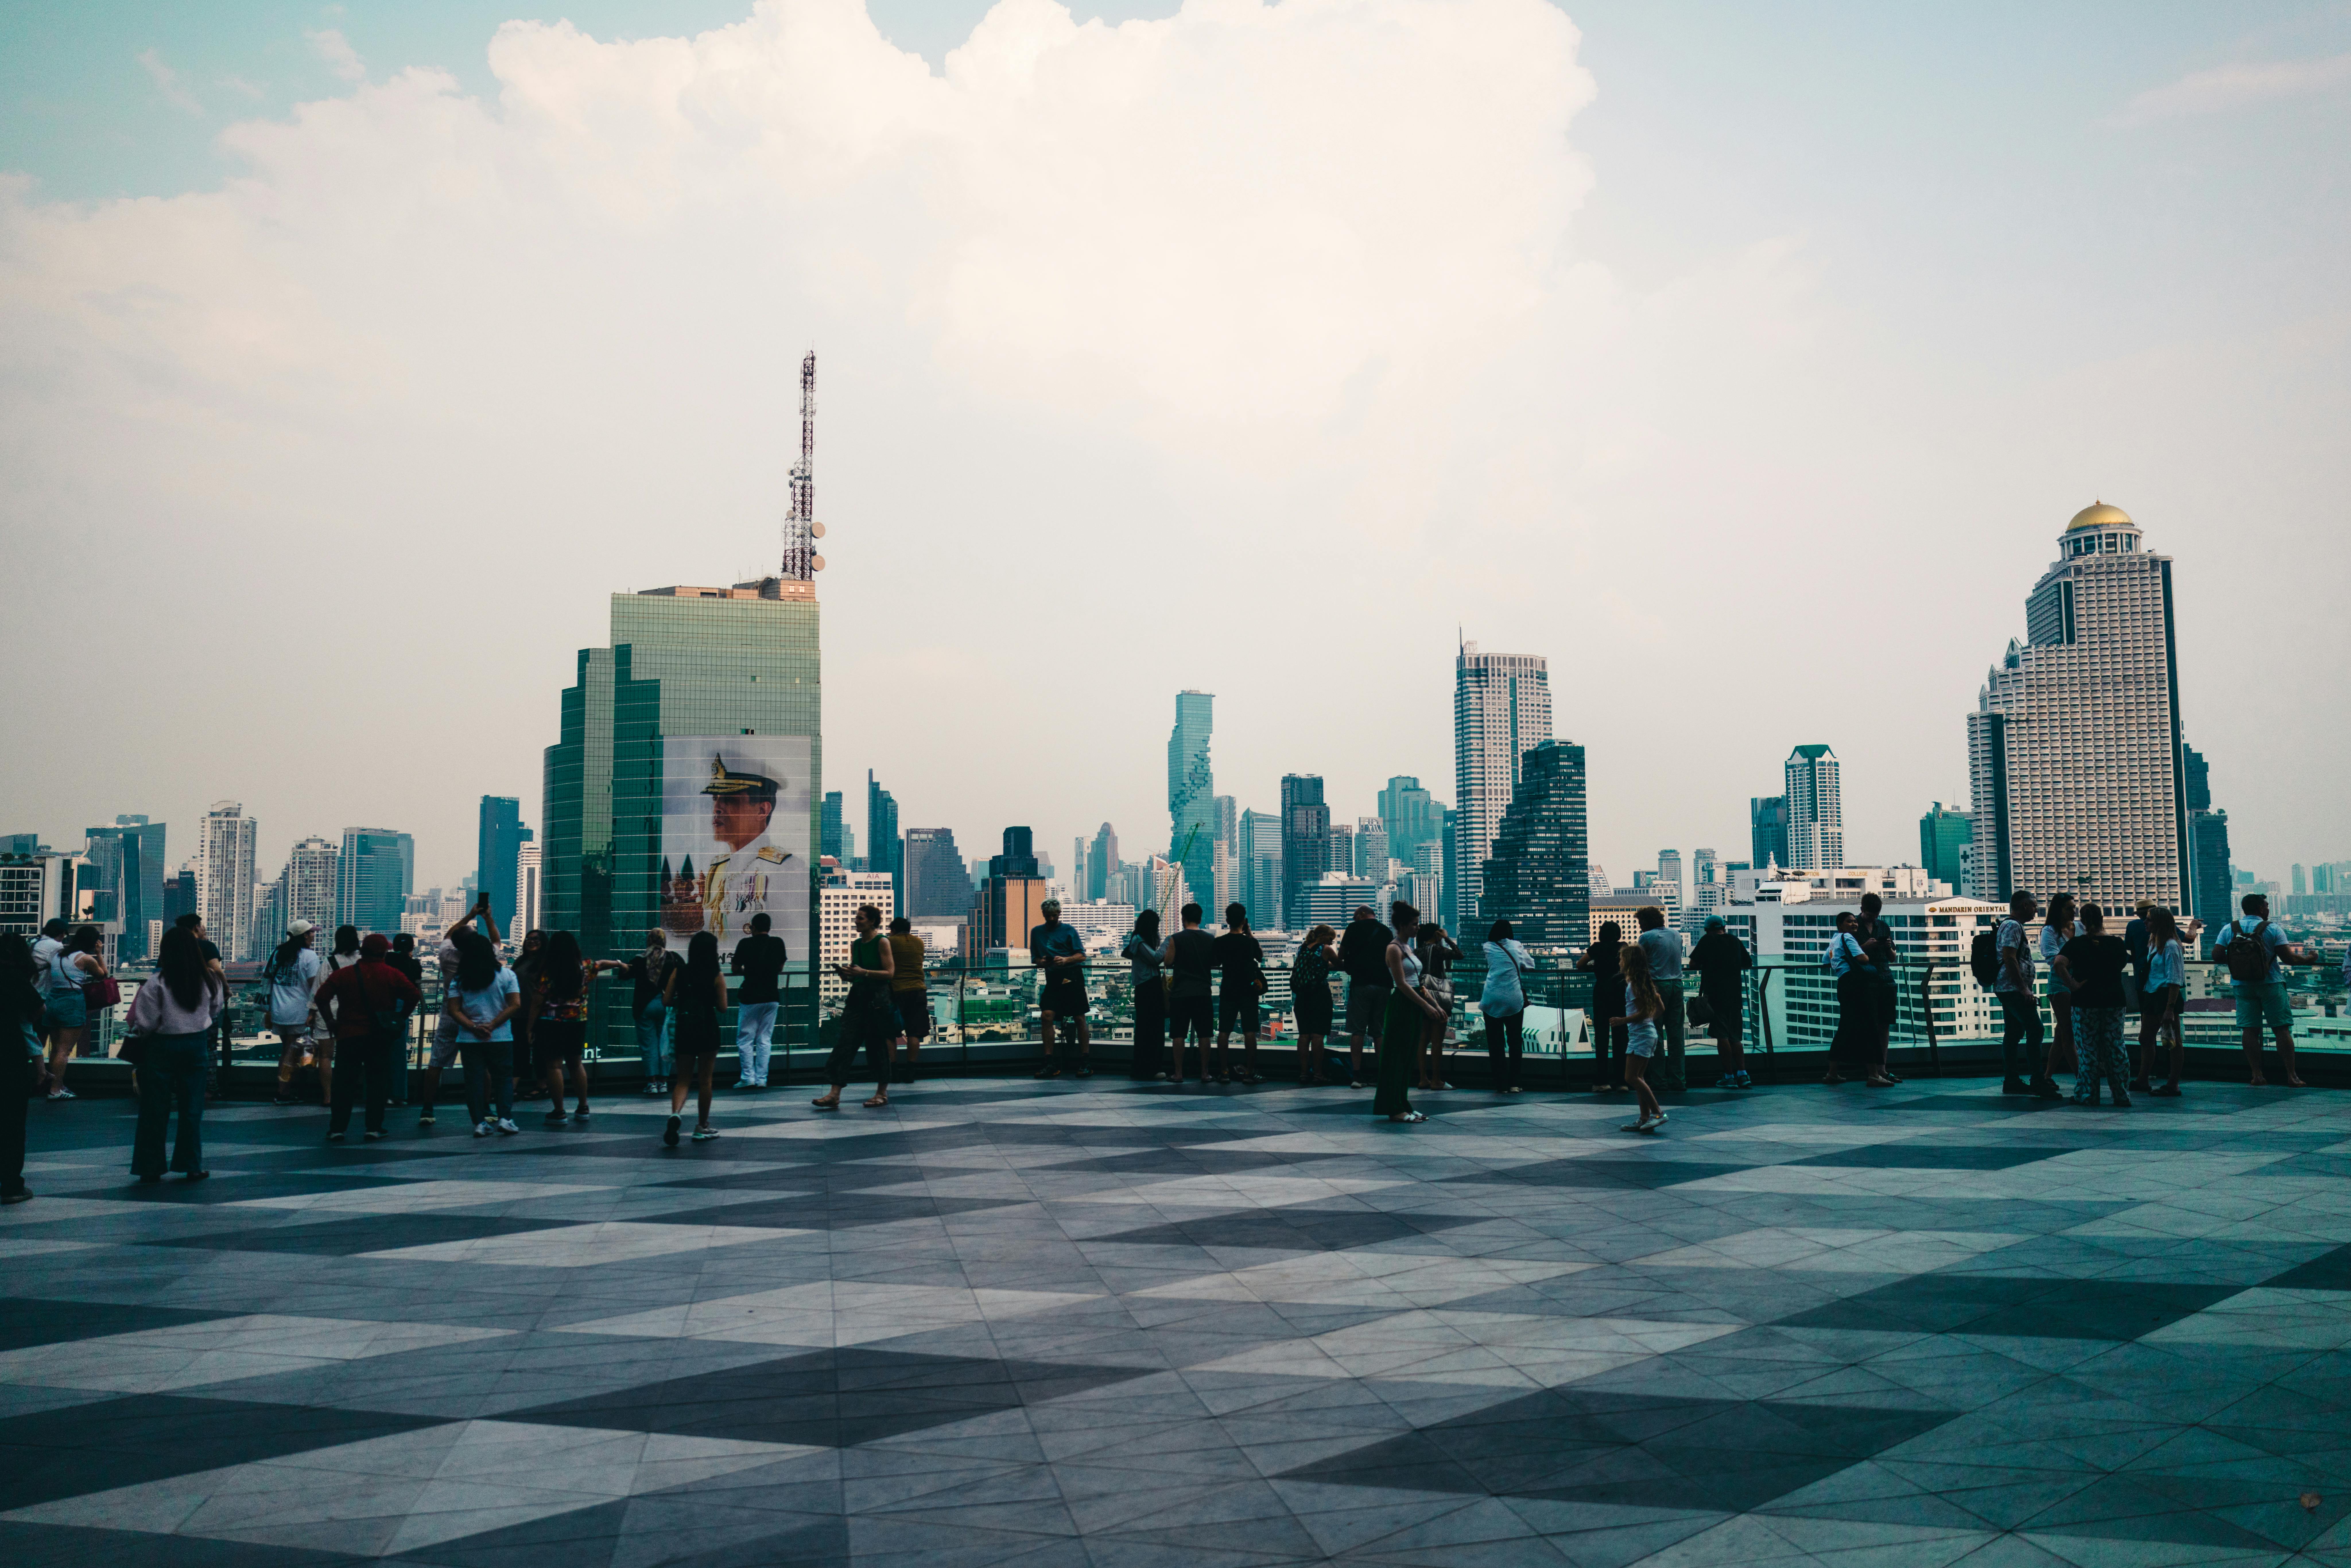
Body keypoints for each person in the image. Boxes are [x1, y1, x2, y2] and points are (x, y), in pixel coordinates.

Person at [126, 925, 226, 1181]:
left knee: (154, 1109)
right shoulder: (210, 980)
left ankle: (150, 1168)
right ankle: (191, 1165)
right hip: (196, 1046)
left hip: (161, 1047)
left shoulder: (156, 982)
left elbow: (146, 1024)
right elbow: (215, 1011)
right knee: (192, 1109)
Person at [315, 934, 421, 1142]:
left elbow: (321, 997)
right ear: (384, 953)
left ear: (362, 952)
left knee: (344, 1084)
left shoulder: (345, 974)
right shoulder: (391, 974)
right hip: (379, 1037)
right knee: (377, 1082)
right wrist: (400, 1018)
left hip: (348, 1035)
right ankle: (373, 1127)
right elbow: (414, 996)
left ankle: (338, 1128)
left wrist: (331, 1022)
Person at [2213, 892, 2321, 1087]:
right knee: (2281, 1030)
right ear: (2261, 909)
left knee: (2250, 1031)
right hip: (2271, 984)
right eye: (2267, 906)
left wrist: (2239, 963)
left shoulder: (2229, 929)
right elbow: (2289, 959)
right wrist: (2310, 959)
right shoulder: (2273, 929)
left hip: (2242, 986)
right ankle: (2292, 1076)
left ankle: (2257, 1075)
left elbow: (2217, 956)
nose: (2269, 909)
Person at [418, 899, 500, 1123]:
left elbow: (448, 935)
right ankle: (486, 1108)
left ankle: (427, 1108)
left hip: (450, 1016)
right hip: (477, 1016)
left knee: (436, 1063)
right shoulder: (484, 957)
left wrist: (469, 916)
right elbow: (496, 941)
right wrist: (488, 917)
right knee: (482, 1066)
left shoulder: (447, 955)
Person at [531, 931, 624, 1124]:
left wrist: (529, 1028)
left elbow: (537, 1001)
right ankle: (583, 1108)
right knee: (576, 1064)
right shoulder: (584, 968)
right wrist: (619, 963)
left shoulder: (548, 971)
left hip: (551, 1024)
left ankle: (559, 1112)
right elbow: (601, 964)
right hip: (577, 1023)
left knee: (554, 1066)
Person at [815, 904, 895, 1109]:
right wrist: (847, 975)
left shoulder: (882, 942)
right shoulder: (857, 944)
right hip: (858, 998)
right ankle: (835, 1093)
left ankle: (882, 1093)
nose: (856, 921)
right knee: (845, 1044)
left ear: (872, 922)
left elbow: (890, 973)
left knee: (877, 1047)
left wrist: (864, 973)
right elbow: (857, 975)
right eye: (857, 918)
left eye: (860, 918)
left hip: (877, 999)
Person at [2053, 902, 2131, 1107]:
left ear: (2083, 922)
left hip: (2085, 1002)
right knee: (2116, 1048)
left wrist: (2072, 985)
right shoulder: (2116, 943)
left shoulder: (2077, 944)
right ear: (2102, 919)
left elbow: (2058, 963)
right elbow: (2122, 964)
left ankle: (2088, 1095)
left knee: (2088, 1050)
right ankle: (2121, 1095)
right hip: (2114, 1000)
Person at [445, 927, 521, 1136]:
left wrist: (474, 1028)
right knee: (504, 1078)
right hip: (501, 1037)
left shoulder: (460, 980)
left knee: (474, 1081)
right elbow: (515, 1005)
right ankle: (505, 1118)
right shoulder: (507, 975)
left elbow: (454, 1010)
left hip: (469, 1039)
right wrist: (493, 1025)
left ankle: (479, 1122)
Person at [1374, 901, 1437, 1124]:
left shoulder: (1407, 947)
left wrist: (1431, 1003)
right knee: (1397, 1057)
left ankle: (1403, 1104)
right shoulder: (1394, 948)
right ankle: (1394, 1107)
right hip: (1403, 1004)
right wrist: (1426, 1005)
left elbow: (1415, 982)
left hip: (1412, 1003)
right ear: (1402, 925)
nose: (1417, 928)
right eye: (1414, 924)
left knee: (1407, 1056)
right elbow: (1401, 984)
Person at [1993, 891, 2061, 1098]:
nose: (2036, 910)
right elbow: (2010, 958)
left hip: (2008, 988)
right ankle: (2037, 1080)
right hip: (2013, 989)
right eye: (2034, 906)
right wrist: (2024, 989)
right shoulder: (2013, 926)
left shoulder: (2011, 925)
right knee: (2036, 1030)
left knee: (2014, 1033)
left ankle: (2012, 1080)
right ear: (2024, 906)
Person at [664, 929, 729, 1142]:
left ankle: (676, 1114)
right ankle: (702, 1126)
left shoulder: (680, 971)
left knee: (683, 1081)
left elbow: (666, 1001)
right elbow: (723, 1008)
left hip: (684, 1029)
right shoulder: (716, 975)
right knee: (705, 1082)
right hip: (707, 1029)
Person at [37, 924, 107, 1102]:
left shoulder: (59, 955)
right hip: (71, 1001)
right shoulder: (85, 959)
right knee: (64, 1050)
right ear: (92, 942)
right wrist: (99, 954)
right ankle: (55, 1090)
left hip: (53, 1000)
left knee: (55, 1049)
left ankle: (57, 1085)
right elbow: (103, 975)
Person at [1823, 912, 1894, 1088]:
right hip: (1857, 986)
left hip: (1844, 985)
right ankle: (1874, 1075)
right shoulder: (1848, 937)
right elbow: (1863, 959)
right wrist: (1865, 951)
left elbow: (1826, 961)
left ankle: (1832, 1073)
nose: (1855, 925)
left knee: (1845, 1028)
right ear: (1840, 924)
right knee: (1870, 1028)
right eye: (1850, 922)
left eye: (1855, 922)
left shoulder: (1835, 940)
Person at [1687, 916, 1753, 1089]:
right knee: (1736, 1037)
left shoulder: (1707, 940)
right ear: (1724, 927)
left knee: (1722, 1036)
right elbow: (1748, 963)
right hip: (1734, 995)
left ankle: (1729, 1076)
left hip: (1715, 996)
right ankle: (1743, 1074)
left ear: (1707, 929)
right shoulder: (1734, 940)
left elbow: (1693, 964)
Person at [263, 921, 325, 1105]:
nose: (314, 935)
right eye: (312, 933)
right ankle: (284, 1093)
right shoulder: (309, 956)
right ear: (305, 936)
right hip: (298, 1012)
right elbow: (315, 985)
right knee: (292, 1054)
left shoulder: (278, 953)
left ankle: (286, 1089)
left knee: (287, 1052)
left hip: (278, 1010)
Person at [1611, 942, 1668, 1134]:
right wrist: (1649, 1021)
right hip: (1647, 1034)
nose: (1619, 961)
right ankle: (1645, 1118)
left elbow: (1643, 1012)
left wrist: (1622, 1020)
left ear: (1628, 961)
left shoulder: (1634, 985)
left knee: (1631, 1077)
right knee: (1639, 1078)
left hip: (1640, 1036)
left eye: (1621, 958)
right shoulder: (1644, 983)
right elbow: (1660, 1008)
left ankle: (1658, 1113)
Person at [3, 934, 42, 1204]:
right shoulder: (14, 979)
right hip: (9, 1058)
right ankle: (11, 1186)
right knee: (12, 1124)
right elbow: (38, 1009)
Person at [1030, 899, 1091, 1079]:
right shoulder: (1036, 932)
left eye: (1054, 916)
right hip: (1054, 978)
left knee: (1080, 1017)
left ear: (1059, 914)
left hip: (1072, 976)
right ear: (1043, 914)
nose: (1051, 918)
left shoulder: (1070, 931)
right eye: (1048, 916)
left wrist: (1065, 960)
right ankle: (1049, 1061)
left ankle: (1086, 1061)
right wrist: (1043, 962)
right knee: (1047, 1015)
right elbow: (1035, 958)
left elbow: (1082, 956)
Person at [1208, 904, 1267, 1086]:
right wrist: (1249, 934)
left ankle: (1224, 1072)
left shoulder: (1220, 942)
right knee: (1250, 1031)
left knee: (1224, 1031)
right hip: (1249, 989)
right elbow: (1260, 957)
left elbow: (1215, 962)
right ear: (1244, 921)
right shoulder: (1249, 942)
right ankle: (1250, 1072)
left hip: (1228, 989)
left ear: (1227, 921)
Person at [730, 912, 789, 1091]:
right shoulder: (778, 943)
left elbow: (735, 969)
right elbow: (780, 967)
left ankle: (748, 1077)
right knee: (765, 1039)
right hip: (772, 996)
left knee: (746, 1038)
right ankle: (762, 1079)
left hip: (751, 997)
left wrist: (749, 972)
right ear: (769, 928)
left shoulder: (745, 944)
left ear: (753, 928)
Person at [1337, 905, 1393, 1090]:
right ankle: (1384, 1074)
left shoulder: (1353, 929)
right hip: (1384, 984)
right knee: (1379, 1031)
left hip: (1361, 983)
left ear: (1361, 915)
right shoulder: (1386, 931)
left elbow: (1341, 955)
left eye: (1355, 916)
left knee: (1358, 1031)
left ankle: (1357, 1075)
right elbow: (1391, 959)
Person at [1633, 907, 1688, 1091]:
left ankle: (1659, 1081)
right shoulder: (1676, 934)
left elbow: (1638, 963)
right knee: (1676, 1035)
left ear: (1647, 922)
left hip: (1657, 987)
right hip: (1677, 986)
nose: (1640, 927)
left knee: (1655, 1034)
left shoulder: (1646, 937)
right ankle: (1679, 1080)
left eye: (1641, 923)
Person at [311, 925, 364, 1109]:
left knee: (326, 1057)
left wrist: (311, 1012)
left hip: (328, 1014)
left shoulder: (330, 962)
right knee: (354, 1056)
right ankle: (350, 1093)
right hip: (355, 1014)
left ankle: (328, 1096)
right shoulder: (363, 961)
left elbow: (317, 991)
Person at [1164, 903, 1217, 1087]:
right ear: (1201, 919)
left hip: (1181, 993)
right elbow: (1215, 962)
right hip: (1203, 992)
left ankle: (1178, 1074)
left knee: (1179, 1034)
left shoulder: (1175, 939)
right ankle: (1205, 1073)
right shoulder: (1210, 939)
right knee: (1205, 1035)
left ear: (1183, 918)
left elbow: (1168, 962)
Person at [2138, 907, 2189, 1098]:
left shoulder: (2171, 946)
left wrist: (2170, 1008)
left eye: (2149, 920)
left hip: (2165, 996)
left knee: (2173, 1041)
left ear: (2159, 923)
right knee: (2147, 1038)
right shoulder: (2155, 944)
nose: (2146, 922)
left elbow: (2175, 979)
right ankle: (2144, 1079)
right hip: (2153, 994)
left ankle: (2173, 1083)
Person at [1479, 920, 1534, 1094]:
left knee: (1496, 1044)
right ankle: (1515, 1083)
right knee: (1515, 1042)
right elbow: (1530, 966)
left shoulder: (1487, 947)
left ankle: (1501, 1084)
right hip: (1513, 999)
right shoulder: (1517, 946)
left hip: (1492, 998)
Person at [1855, 893, 1903, 1085]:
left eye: (1877, 914)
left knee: (1885, 1025)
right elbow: (1850, 954)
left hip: (1886, 980)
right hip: (1866, 982)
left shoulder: (1883, 926)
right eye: (1871, 914)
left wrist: (1889, 947)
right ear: (1863, 910)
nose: (1874, 918)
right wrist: (1866, 947)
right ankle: (1872, 1071)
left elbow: (1893, 958)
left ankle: (1882, 1069)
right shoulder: (1854, 926)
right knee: (1870, 1026)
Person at [626, 928, 680, 1098]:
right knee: (665, 1044)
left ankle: (652, 1084)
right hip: (666, 1005)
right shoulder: (673, 958)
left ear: (649, 941)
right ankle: (663, 1083)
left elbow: (624, 974)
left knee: (649, 1046)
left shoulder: (640, 959)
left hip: (645, 1006)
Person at [1579, 922, 1628, 1093]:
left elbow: (1580, 965)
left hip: (1601, 994)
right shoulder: (1623, 947)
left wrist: (1595, 968)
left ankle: (1602, 1081)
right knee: (1621, 1038)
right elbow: (1628, 967)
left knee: (1601, 1037)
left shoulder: (1597, 948)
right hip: (1620, 993)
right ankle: (1622, 1082)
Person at [1416, 924, 1463, 1091]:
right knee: (1437, 1042)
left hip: (1421, 996)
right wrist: (1447, 938)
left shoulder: (1418, 950)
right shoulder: (1437, 950)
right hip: (1439, 998)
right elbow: (1460, 955)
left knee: (1422, 1040)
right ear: (1436, 934)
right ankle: (1437, 1080)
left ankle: (1423, 1079)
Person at [2038, 894, 2079, 1087]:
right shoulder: (2050, 931)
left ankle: (2047, 1076)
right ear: (2059, 910)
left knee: (2061, 1032)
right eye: (2069, 908)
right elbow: (2052, 959)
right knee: (2068, 1033)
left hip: (2077, 983)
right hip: (2061, 984)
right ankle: (2082, 1079)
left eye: (2074, 907)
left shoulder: (2078, 927)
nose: (2074, 911)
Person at [1292, 923, 1341, 1086]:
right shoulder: (1326, 949)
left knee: (1304, 1035)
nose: (1332, 942)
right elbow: (1340, 965)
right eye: (1331, 938)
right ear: (1323, 937)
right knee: (1318, 1036)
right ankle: (1318, 1075)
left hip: (1302, 996)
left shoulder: (1303, 948)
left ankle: (1304, 1074)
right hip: (1320, 996)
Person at [1123, 911, 1168, 1081]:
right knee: (1153, 1030)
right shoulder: (1140, 942)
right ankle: (1150, 1068)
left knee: (1146, 1030)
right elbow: (1155, 958)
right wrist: (1168, 942)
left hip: (1145, 990)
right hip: (1149, 988)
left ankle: (1144, 1067)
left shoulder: (1138, 941)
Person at [887, 917, 929, 1084]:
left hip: (896, 991)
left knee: (890, 1033)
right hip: (918, 990)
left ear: (894, 930)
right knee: (914, 1033)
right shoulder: (919, 942)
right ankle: (910, 1071)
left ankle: (893, 1070)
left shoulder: (889, 942)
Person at [511, 929, 547, 1100]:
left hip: (539, 1015)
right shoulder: (521, 961)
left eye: (536, 939)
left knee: (540, 1051)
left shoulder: (545, 964)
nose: (531, 941)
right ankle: (512, 1088)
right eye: (529, 938)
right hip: (518, 1013)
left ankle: (543, 1086)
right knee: (519, 1051)